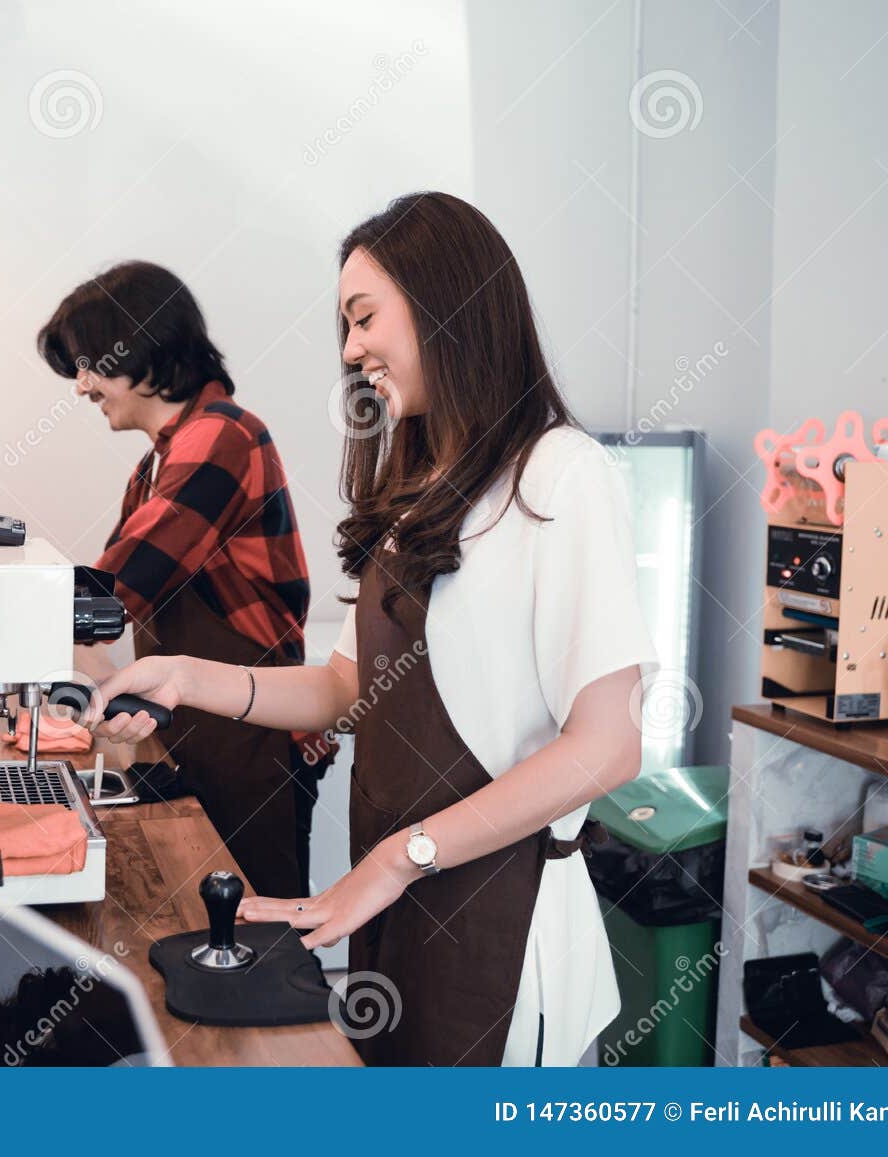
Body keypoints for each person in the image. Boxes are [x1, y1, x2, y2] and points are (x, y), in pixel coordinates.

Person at [83, 194, 657, 1067]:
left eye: (364, 318)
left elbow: (607, 748)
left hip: (497, 908)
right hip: (398, 896)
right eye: (344, 326)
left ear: (448, 304)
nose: (350, 350)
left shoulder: (560, 476)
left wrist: (397, 860)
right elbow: (343, 688)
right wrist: (184, 678)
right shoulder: (423, 487)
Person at [37, 261, 333, 899]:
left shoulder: (221, 437)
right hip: (204, 733)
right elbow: (105, 609)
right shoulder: (157, 464)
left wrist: (0, 609)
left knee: (265, 945)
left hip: (255, 742)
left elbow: (109, 596)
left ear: (142, 347)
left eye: (89, 363)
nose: (83, 384)